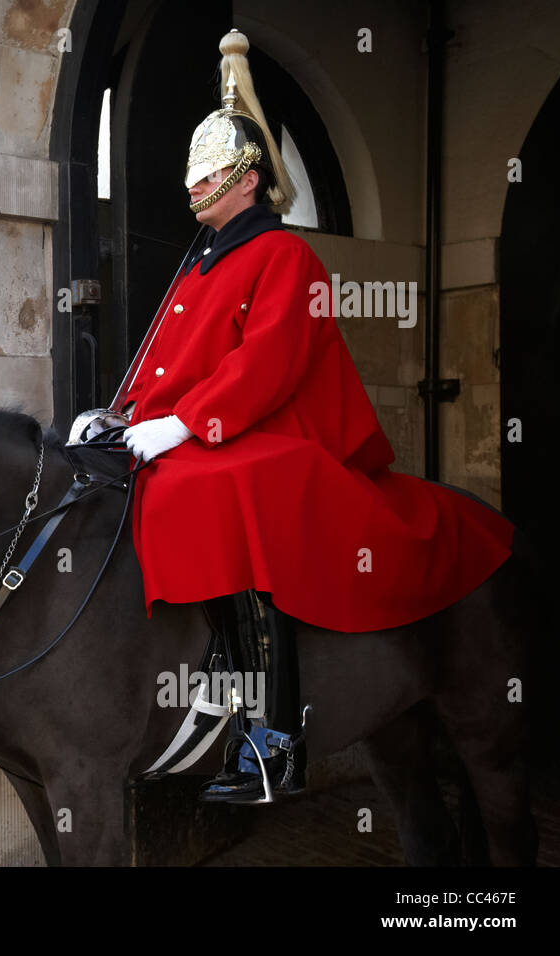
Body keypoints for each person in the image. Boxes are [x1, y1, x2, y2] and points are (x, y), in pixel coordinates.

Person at [91, 30, 515, 804]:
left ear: (248, 180)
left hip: (277, 431)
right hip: (216, 426)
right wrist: (122, 418)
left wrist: (182, 426)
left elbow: (266, 368)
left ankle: (273, 737)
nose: (194, 188)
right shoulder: (205, 262)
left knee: (214, 491)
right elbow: (170, 365)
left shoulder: (285, 258)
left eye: (210, 174)